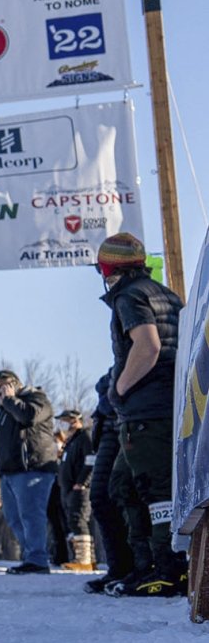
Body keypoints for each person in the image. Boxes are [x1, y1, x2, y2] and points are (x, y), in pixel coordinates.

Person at [97, 232, 187, 596]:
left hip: (147, 412)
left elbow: (147, 345)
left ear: (109, 268)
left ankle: (168, 570)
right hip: (167, 406)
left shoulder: (130, 295)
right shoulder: (166, 294)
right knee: (124, 485)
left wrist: (119, 388)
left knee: (155, 490)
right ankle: (144, 566)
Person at [0, 369, 56, 574]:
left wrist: (11, 400)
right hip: (8, 472)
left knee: (31, 514)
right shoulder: (2, 412)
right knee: (14, 517)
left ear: (13, 384)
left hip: (33, 468)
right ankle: (31, 555)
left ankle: (38, 559)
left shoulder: (37, 399)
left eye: (1, 386)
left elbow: (28, 417)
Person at [85, 370, 133, 594]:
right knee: (101, 497)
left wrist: (113, 392)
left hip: (127, 421)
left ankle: (136, 567)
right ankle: (118, 568)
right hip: (108, 426)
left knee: (123, 495)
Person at [56, 410, 95, 572]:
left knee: (78, 519)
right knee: (73, 520)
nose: (66, 425)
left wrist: (82, 482)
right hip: (68, 488)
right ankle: (86, 559)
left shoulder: (84, 437)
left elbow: (91, 459)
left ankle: (84, 560)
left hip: (79, 488)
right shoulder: (71, 441)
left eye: (69, 421)